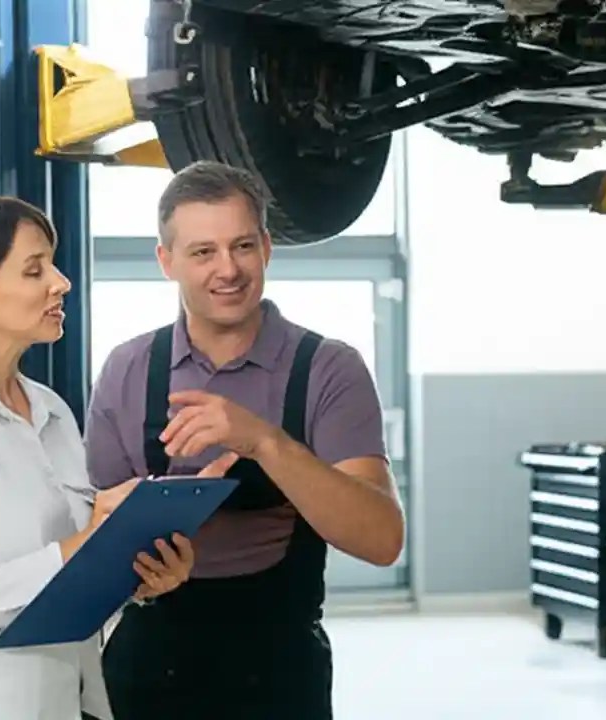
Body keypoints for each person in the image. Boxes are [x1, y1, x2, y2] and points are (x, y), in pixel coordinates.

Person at [0, 196, 231, 720]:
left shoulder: (52, 411)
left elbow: (64, 576)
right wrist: (77, 546)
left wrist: (138, 571)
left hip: (66, 701)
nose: (60, 282)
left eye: (54, 265)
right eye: (35, 269)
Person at [85, 161, 407, 720]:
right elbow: (89, 539)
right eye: (203, 252)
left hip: (278, 675)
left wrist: (263, 441)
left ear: (266, 247)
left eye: (242, 246)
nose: (227, 269)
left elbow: (382, 541)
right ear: (167, 261)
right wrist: (140, 572)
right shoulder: (127, 369)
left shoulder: (329, 369)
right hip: (145, 672)